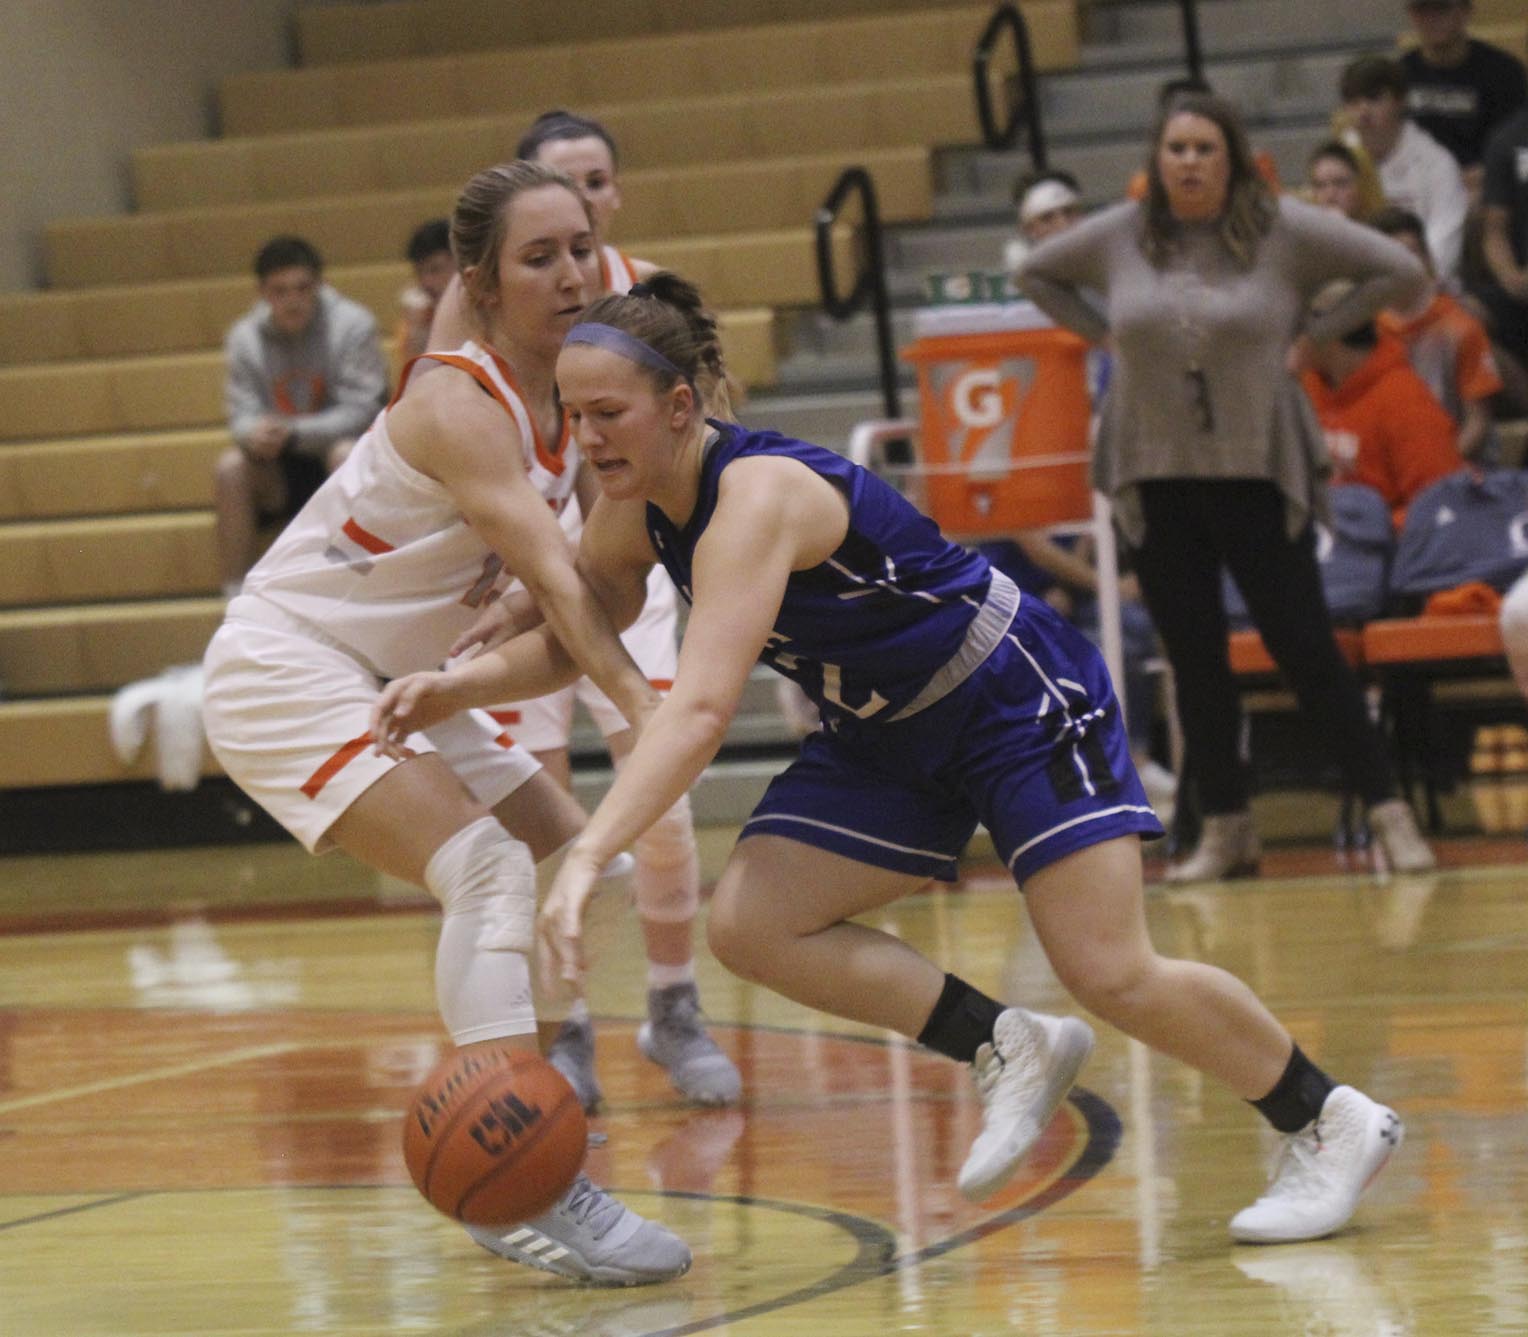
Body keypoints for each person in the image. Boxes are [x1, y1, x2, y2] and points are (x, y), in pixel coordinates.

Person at [372, 272, 1407, 1247]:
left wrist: (593, 848)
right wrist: (454, 684)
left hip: (1007, 693)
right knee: (752, 923)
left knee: (1109, 967)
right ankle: (1005, 1040)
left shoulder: (756, 496)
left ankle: (1327, 1116)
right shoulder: (632, 501)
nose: (583, 435)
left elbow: (695, 712)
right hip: (885, 729)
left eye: (608, 413)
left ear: (680, 405)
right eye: (571, 411)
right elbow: (578, 623)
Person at [200, 161, 690, 1286]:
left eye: (581, 248)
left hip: (389, 667)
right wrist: (638, 705)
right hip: (288, 665)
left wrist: (526, 615)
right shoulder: (458, 402)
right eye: (538, 257)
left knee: (583, 862)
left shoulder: (572, 399)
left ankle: (510, 1118)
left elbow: (553, 591)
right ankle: (527, 1173)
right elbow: (563, 588)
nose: (572, 273)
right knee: (486, 870)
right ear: (481, 279)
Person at [1015, 90, 1438, 882]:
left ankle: (1391, 813)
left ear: (1231, 158)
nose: (1190, 163)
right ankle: (1228, 828)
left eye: (1205, 148)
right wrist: (1100, 334)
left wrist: (1313, 338)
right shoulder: (1124, 234)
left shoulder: (1281, 228)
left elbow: (1399, 268)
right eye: (1176, 149)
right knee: (1194, 658)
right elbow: (1037, 270)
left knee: (1303, 647)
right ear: (1157, 160)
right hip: (1156, 469)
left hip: (1254, 468)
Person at [435, 111, 740, 1114]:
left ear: (611, 197)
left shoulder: (645, 298)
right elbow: (435, 428)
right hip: (514, 570)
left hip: (620, 558)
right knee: (541, 810)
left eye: (597, 185)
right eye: (563, 188)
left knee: (659, 797)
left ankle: (673, 1003)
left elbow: (712, 436)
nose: (585, 207)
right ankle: (567, 1025)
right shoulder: (477, 314)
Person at [214, 236, 388, 598]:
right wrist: (251, 434)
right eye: (280, 291)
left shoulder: (353, 325)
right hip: (279, 463)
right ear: (262, 293)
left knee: (345, 453)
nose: (292, 301)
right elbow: (240, 413)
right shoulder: (244, 337)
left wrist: (294, 431)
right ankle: (236, 600)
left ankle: (357, 589)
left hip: (339, 456)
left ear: (320, 286)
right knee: (230, 468)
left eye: (302, 288)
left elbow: (363, 410)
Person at [1301, 281, 1464, 528]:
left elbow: (1442, 510)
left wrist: (1367, 533)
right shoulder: (1306, 386)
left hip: (1379, 552)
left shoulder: (1408, 405)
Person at [1372, 205, 1504, 461]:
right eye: (1390, 256)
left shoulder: (1459, 326)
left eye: (1412, 254)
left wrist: (1437, 468)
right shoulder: (1364, 328)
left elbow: (1477, 422)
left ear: (1428, 260)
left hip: (1455, 465)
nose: (1403, 266)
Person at [1339, 54, 1470, 279]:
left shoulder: (1437, 165)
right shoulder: (1339, 158)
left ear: (1400, 101)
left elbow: (1441, 259)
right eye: (1353, 101)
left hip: (1423, 293)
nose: (1363, 112)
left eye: (1374, 98)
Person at [1400, 0, 1527, 190]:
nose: (1432, 19)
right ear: (1411, 15)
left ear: (1465, 12)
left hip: (1485, 185)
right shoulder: (1400, 74)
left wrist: (1488, 175)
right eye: (1422, 11)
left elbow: (1521, 151)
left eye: (1442, 9)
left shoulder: (1504, 72)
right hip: (1418, 186)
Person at [1479, 104, 1528, 365]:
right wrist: (1511, 277)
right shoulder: (1507, 137)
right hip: (1522, 285)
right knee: (1465, 315)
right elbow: (1495, 228)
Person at [395, 218, 454, 368]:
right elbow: (413, 382)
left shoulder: (489, 313)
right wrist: (418, 334)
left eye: (435, 269)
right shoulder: (418, 319)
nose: (426, 283)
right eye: (419, 273)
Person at [1305, 139, 1387, 222]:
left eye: (1341, 183)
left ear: (1364, 185)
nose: (1330, 195)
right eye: (1320, 185)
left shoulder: (1392, 230)